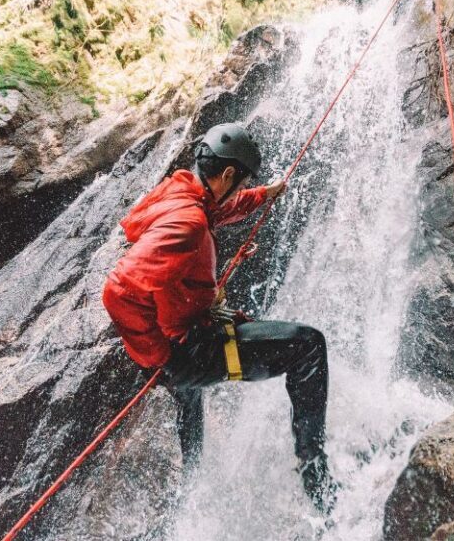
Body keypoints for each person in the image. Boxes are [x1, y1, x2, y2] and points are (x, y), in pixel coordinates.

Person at [102, 122, 336, 513]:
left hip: (173, 338)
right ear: (227, 174)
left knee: (189, 399)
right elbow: (119, 292)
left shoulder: (180, 190)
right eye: (240, 181)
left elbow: (217, 210)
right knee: (309, 345)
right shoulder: (189, 223)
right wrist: (164, 358)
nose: (241, 188)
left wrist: (262, 195)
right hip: (185, 349)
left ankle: (189, 493)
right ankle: (315, 474)